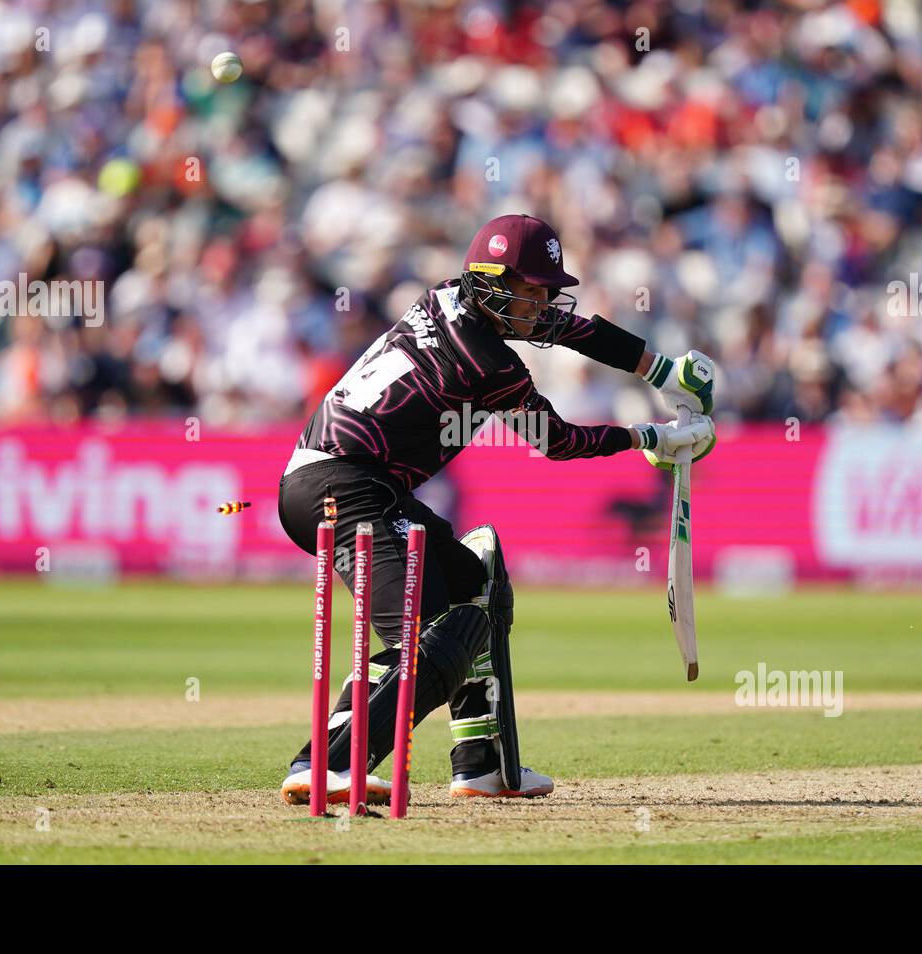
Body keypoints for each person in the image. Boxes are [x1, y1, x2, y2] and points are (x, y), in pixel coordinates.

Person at [279, 213, 715, 805]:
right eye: (528, 292)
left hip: (362, 487)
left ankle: (480, 766)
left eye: (544, 292)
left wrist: (663, 371)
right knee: (430, 639)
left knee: (473, 585)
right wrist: (650, 439)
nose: (539, 307)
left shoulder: (448, 300)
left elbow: (577, 329)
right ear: (491, 281)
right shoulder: (486, 364)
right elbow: (557, 441)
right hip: (338, 485)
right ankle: (324, 764)